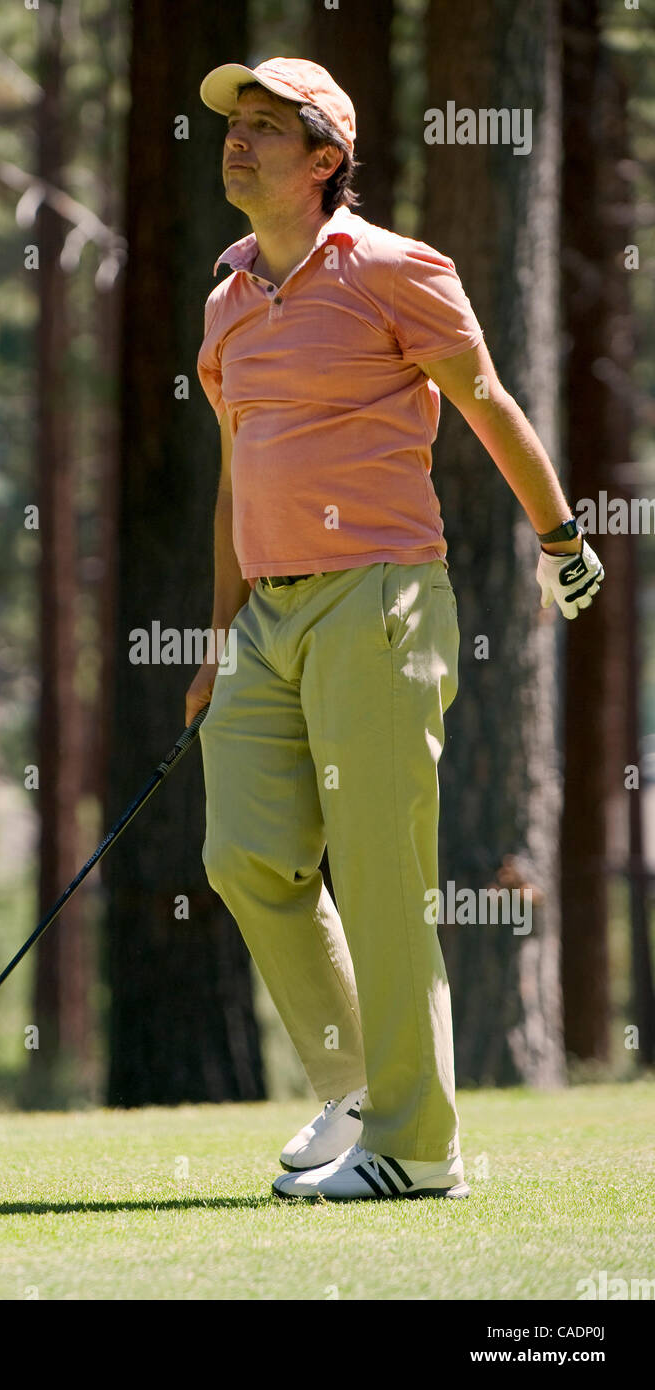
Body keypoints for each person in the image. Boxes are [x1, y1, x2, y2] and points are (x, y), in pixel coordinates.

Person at [186, 57, 604, 1201]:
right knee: (244, 855)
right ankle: (358, 1085)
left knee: (376, 874)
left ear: (325, 161)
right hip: (266, 616)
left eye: (268, 129)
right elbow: (237, 477)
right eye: (236, 125)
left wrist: (559, 536)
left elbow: (486, 403)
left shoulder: (393, 270)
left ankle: (419, 1153)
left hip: (379, 597)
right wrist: (218, 634)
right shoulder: (226, 298)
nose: (240, 141)